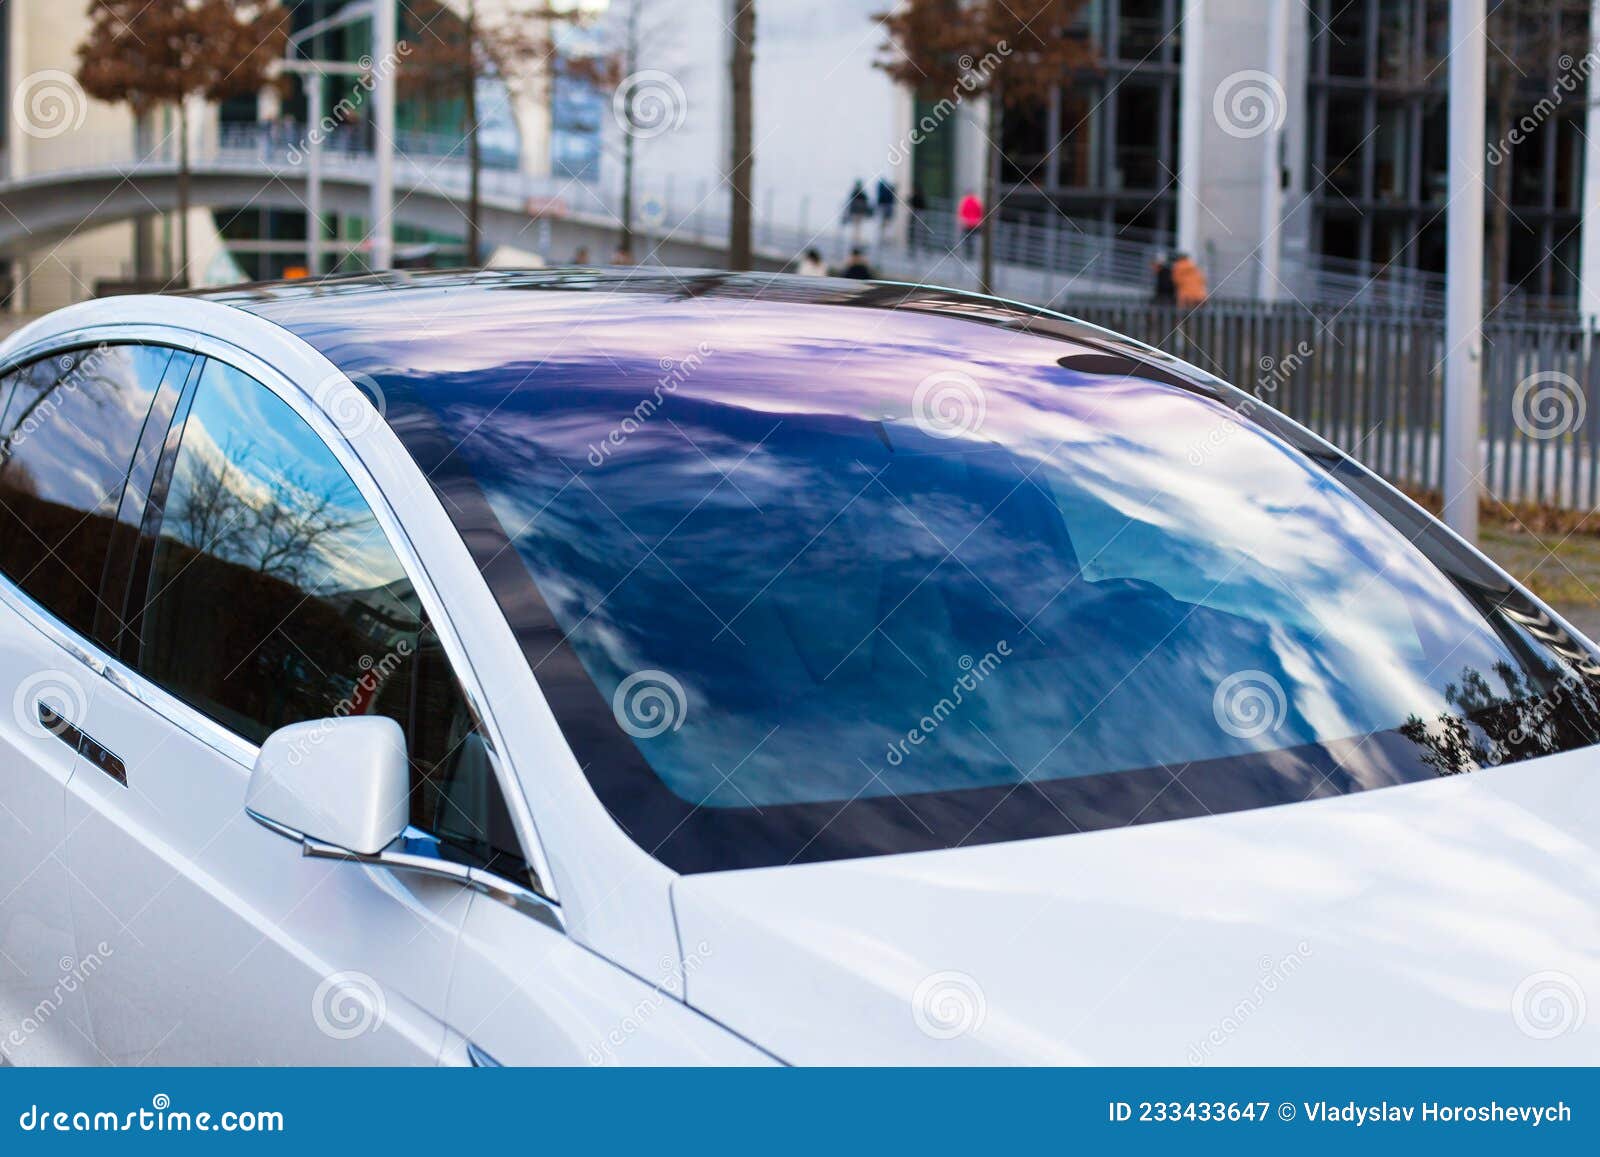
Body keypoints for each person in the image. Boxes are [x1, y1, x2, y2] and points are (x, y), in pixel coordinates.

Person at [844, 180, 872, 244]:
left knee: (857, 226)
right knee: (857, 226)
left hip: (857, 212)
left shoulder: (855, 193)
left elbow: (851, 203)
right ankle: (856, 238)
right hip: (859, 212)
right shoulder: (862, 193)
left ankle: (856, 238)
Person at [957, 190, 984, 255]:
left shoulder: (964, 201)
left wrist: (961, 222)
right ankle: (975, 253)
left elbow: (961, 213)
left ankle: (968, 254)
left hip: (967, 224)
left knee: (967, 240)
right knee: (976, 240)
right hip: (976, 224)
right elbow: (981, 212)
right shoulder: (977, 201)